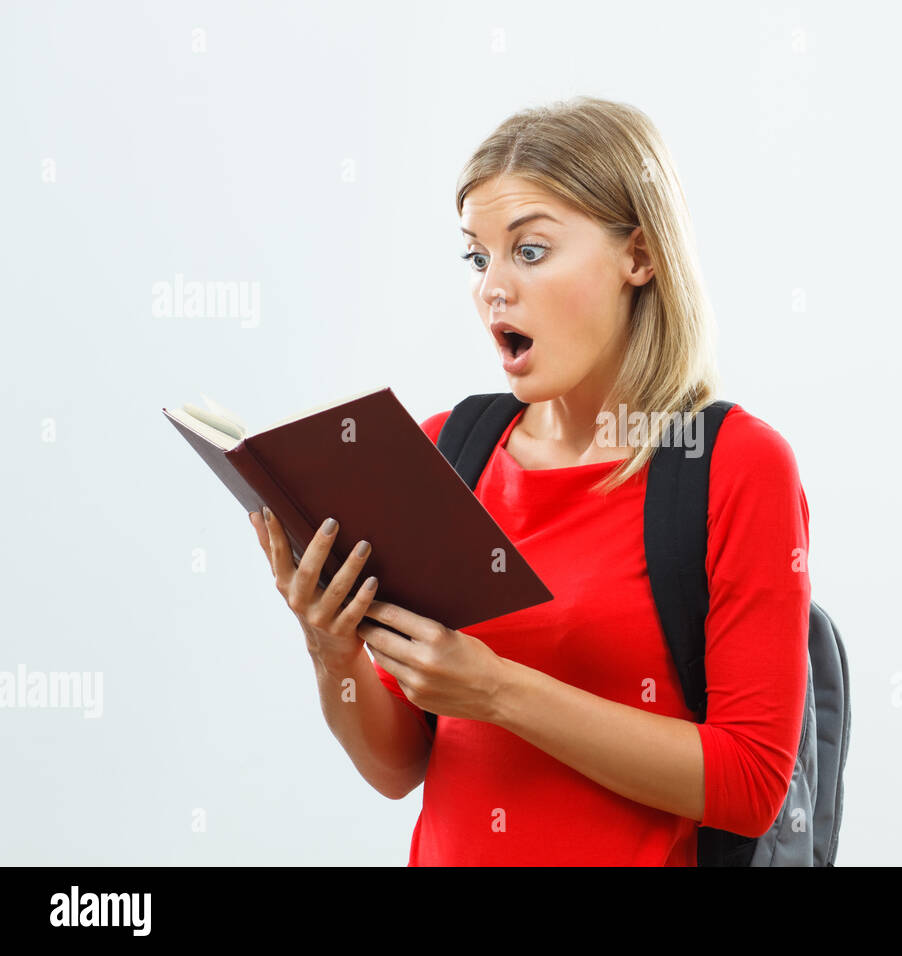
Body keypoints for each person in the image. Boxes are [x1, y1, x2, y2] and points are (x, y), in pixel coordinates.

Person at [249, 96, 811, 866]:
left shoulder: (734, 465)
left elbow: (752, 783)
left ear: (639, 257)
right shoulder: (449, 450)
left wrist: (498, 692)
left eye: (531, 250)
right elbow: (400, 767)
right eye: (478, 257)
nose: (492, 288)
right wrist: (331, 648)